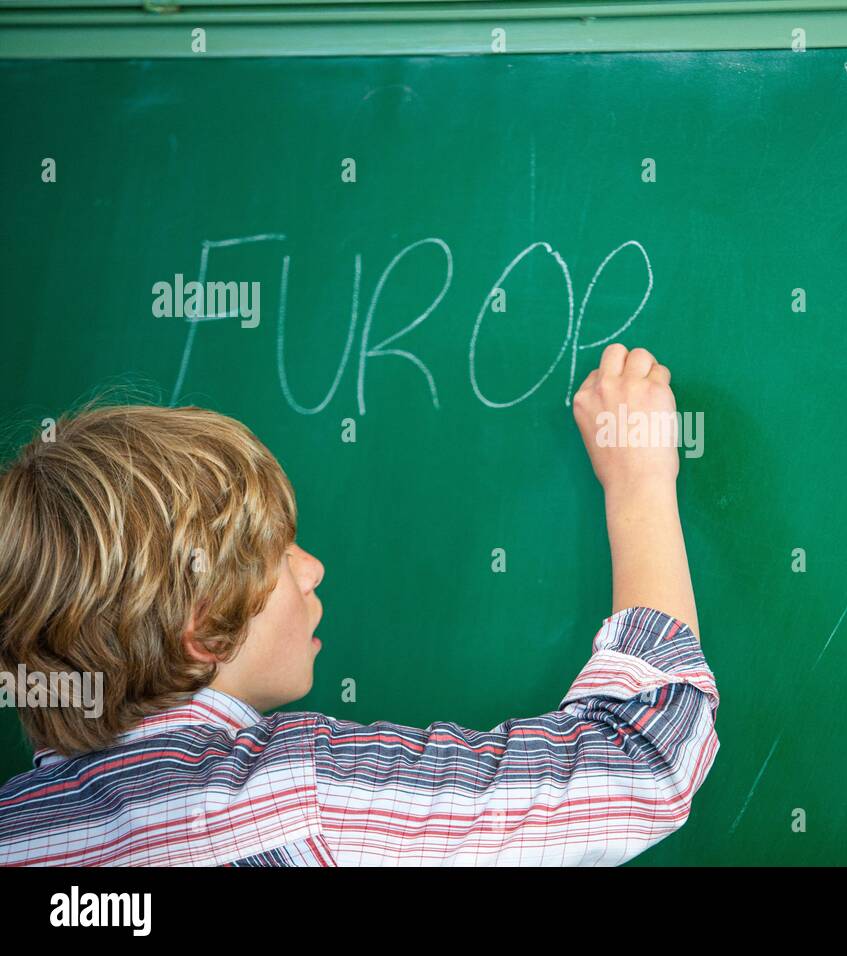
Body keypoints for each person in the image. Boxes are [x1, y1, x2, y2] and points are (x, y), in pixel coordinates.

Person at [0, 343, 718, 865]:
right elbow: (642, 764)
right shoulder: (292, 796)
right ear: (202, 632)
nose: (311, 570)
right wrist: (639, 482)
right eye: (278, 557)